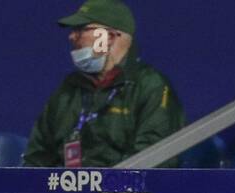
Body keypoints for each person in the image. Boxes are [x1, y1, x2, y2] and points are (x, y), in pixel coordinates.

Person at [22, 0, 185, 168]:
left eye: (81, 29)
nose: (71, 36)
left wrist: (100, 186)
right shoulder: (69, 88)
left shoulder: (151, 86)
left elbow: (155, 160)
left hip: (122, 192)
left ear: (109, 37)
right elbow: (36, 159)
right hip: (67, 192)